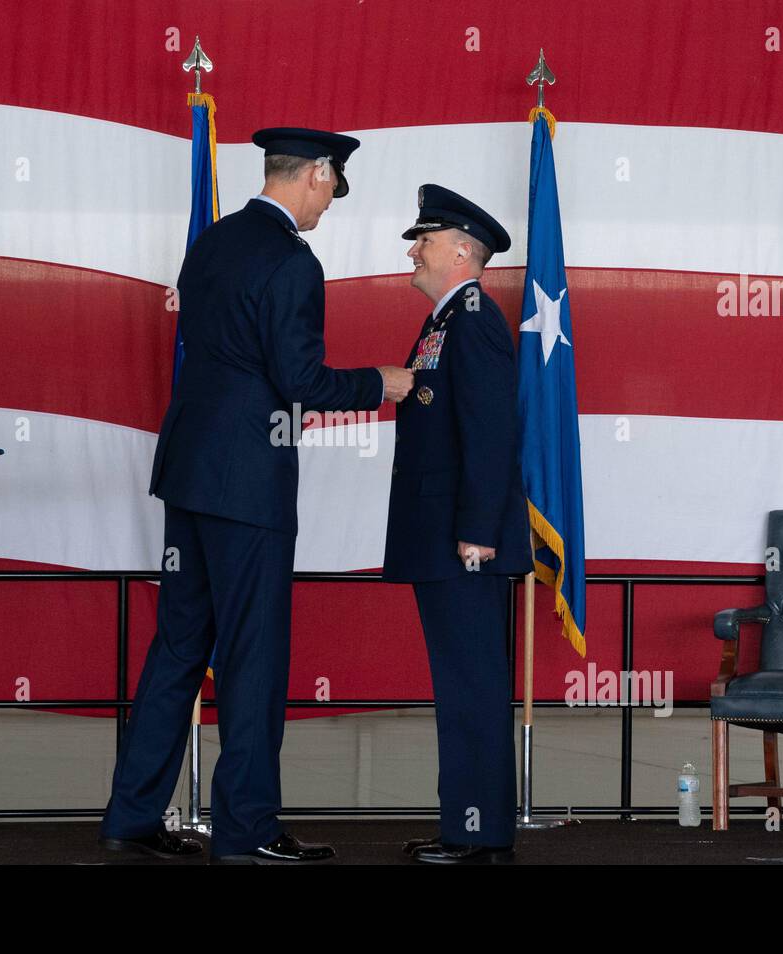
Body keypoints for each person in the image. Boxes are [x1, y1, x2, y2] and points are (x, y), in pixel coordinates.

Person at [100, 128, 414, 863]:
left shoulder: (210, 243)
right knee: (253, 657)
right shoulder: (292, 262)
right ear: (313, 174)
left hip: (190, 475)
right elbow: (302, 382)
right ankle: (245, 829)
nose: (331, 202)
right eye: (332, 186)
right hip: (249, 484)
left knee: (177, 648)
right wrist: (380, 384)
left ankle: (130, 816)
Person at [382, 184, 532, 864]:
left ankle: (480, 834)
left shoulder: (473, 319)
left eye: (427, 239)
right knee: (458, 685)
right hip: (442, 537)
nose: (415, 249)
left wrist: (478, 529)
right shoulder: (447, 321)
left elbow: (490, 430)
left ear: (464, 251)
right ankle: (462, 826)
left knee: (471, 685)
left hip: (464, 542)